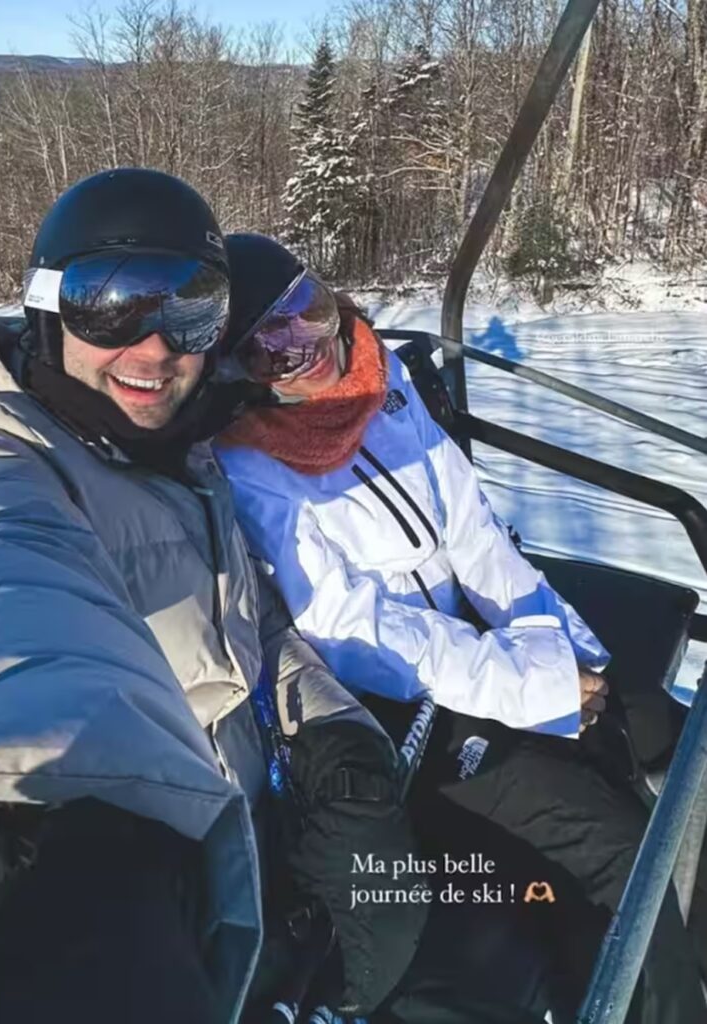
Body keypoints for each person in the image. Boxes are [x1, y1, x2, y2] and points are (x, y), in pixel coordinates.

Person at [0, 173, 426, 1024]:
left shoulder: (183, 445)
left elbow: (250, 615)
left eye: (190, 311)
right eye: (107, 308)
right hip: (174, 864)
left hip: (264, 826)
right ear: (47, 310)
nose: (153, 350)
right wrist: (72, 867)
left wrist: (330, 726)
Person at [213, 231, 707, 1024]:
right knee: (619, 852)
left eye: (308, 312)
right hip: (411, 711)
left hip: (493, 651)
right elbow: (352, 631)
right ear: (237, 375)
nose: (305, 348)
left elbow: (476, 537)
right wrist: (532, 686)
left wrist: (562, 646)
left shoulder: (384, 385)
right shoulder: (251, 468)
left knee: (674, 742)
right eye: (269, 349)